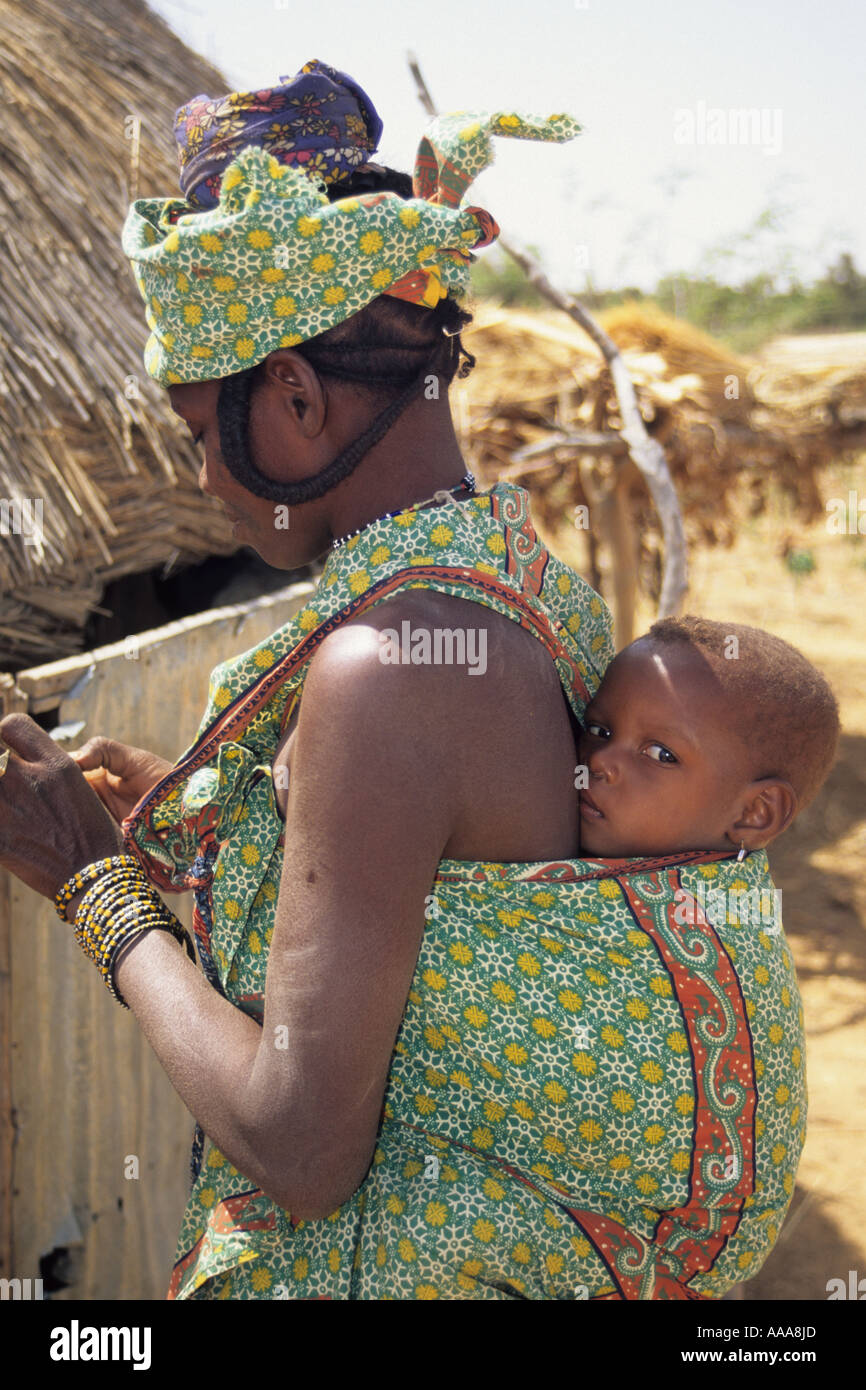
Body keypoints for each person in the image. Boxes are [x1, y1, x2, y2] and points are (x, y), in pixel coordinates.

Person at [0, 69, 816, 1300]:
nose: (203, 483)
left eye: (194, 434)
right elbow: (448, 904)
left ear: (293, 398)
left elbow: (298, 1146)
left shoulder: (387, 664)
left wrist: (94, 883)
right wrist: (227, 824)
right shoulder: (525, 589)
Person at [577, 615, 840, 859]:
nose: (599, 760)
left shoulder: (691, 907)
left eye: (661, 754)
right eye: (599, 731)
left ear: (754, 813)